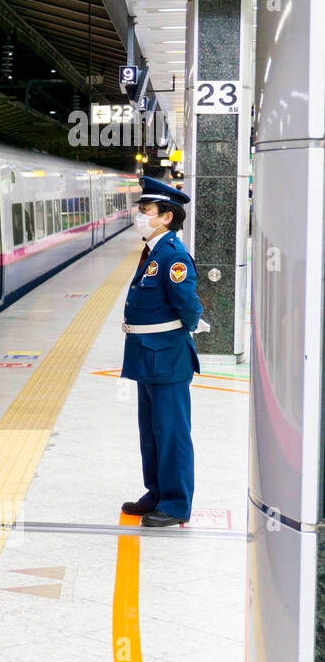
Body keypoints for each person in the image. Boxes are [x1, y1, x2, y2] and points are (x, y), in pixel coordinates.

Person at [119, 176, 210, 527]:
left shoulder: (172, 255)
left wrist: (191, 324)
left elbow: (186, 304)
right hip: (146, 354)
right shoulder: (154, 250)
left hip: (167, 355)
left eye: (146, 210)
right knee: (151, 430)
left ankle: (175, 502)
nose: (139, 215)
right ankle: (156, 491)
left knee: (171, 431)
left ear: (166, 216)